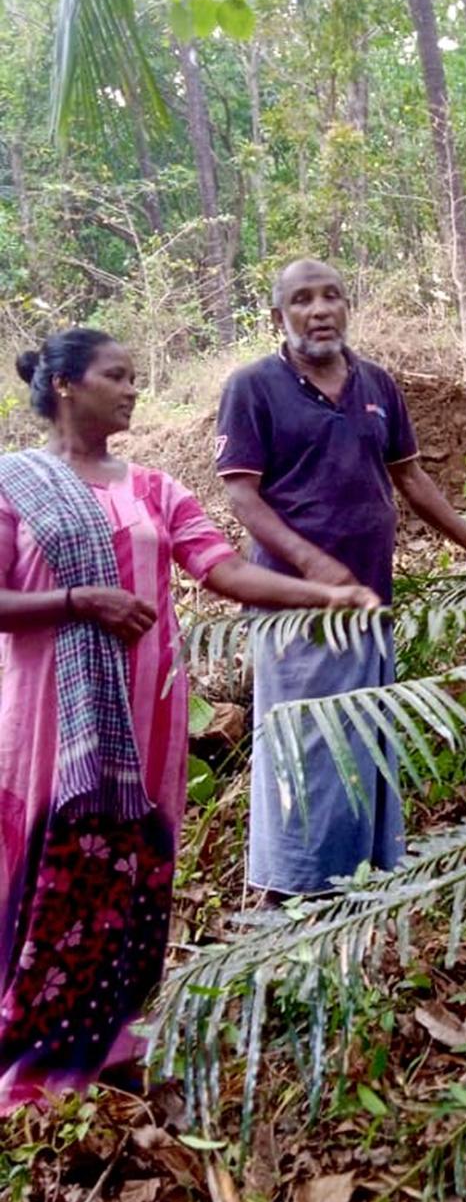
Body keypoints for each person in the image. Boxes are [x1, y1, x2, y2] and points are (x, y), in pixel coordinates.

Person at [0, 329, 377, 1112]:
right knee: (42, 874)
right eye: (117, 375)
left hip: (150, 718)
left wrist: (325, 591)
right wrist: (78, 602)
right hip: (46, 725)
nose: (133, 389)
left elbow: (225, 570)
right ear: (67, 386)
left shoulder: (156, 490)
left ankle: (113, 1044)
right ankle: (31, 1058)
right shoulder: (13, 485)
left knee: (134, 874)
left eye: (136, 375)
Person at [216, 258, 466, 900]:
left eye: (331, 297)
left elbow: (410, 477)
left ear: (347, 306)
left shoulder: (377, 384)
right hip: (295, 610)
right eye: (301, 301)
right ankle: (289, 889)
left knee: (362, 738)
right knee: (304, 746)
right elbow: (242, 497)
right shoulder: (253, 387)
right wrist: (312, 562)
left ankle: (355, 878)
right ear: (277, 317)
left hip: (370, 601)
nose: (319, 311)